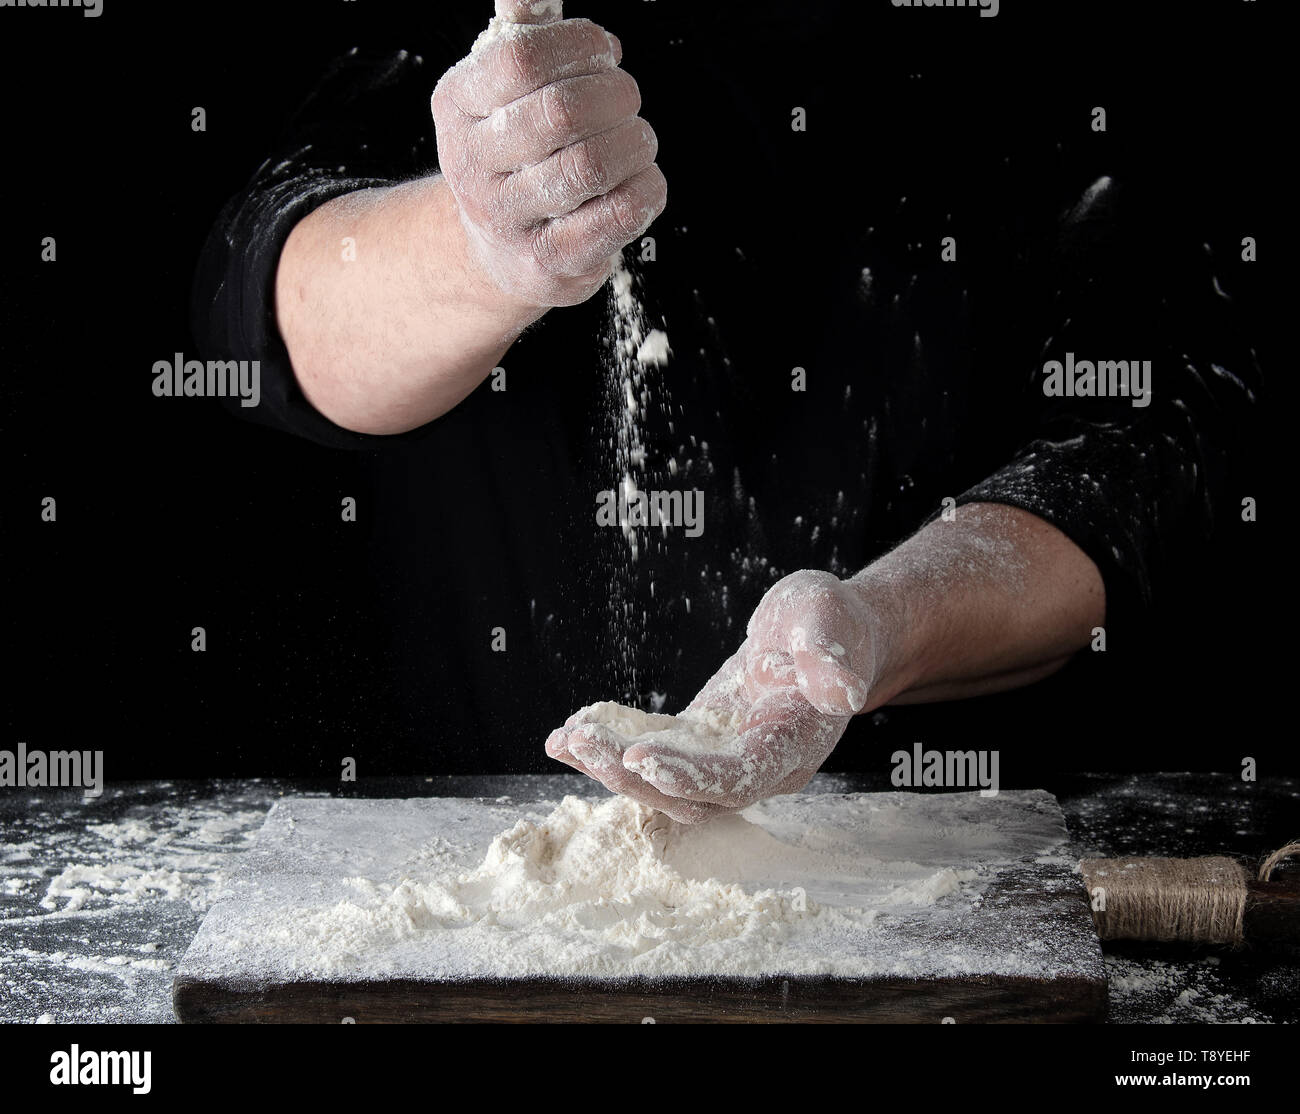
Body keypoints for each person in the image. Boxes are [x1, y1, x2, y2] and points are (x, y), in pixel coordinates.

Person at [193, 1, 1259, 818]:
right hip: (473, 843)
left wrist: (875, 628)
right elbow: (255, 312)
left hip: (943, 852)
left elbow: (1158, 435)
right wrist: (478, 244)